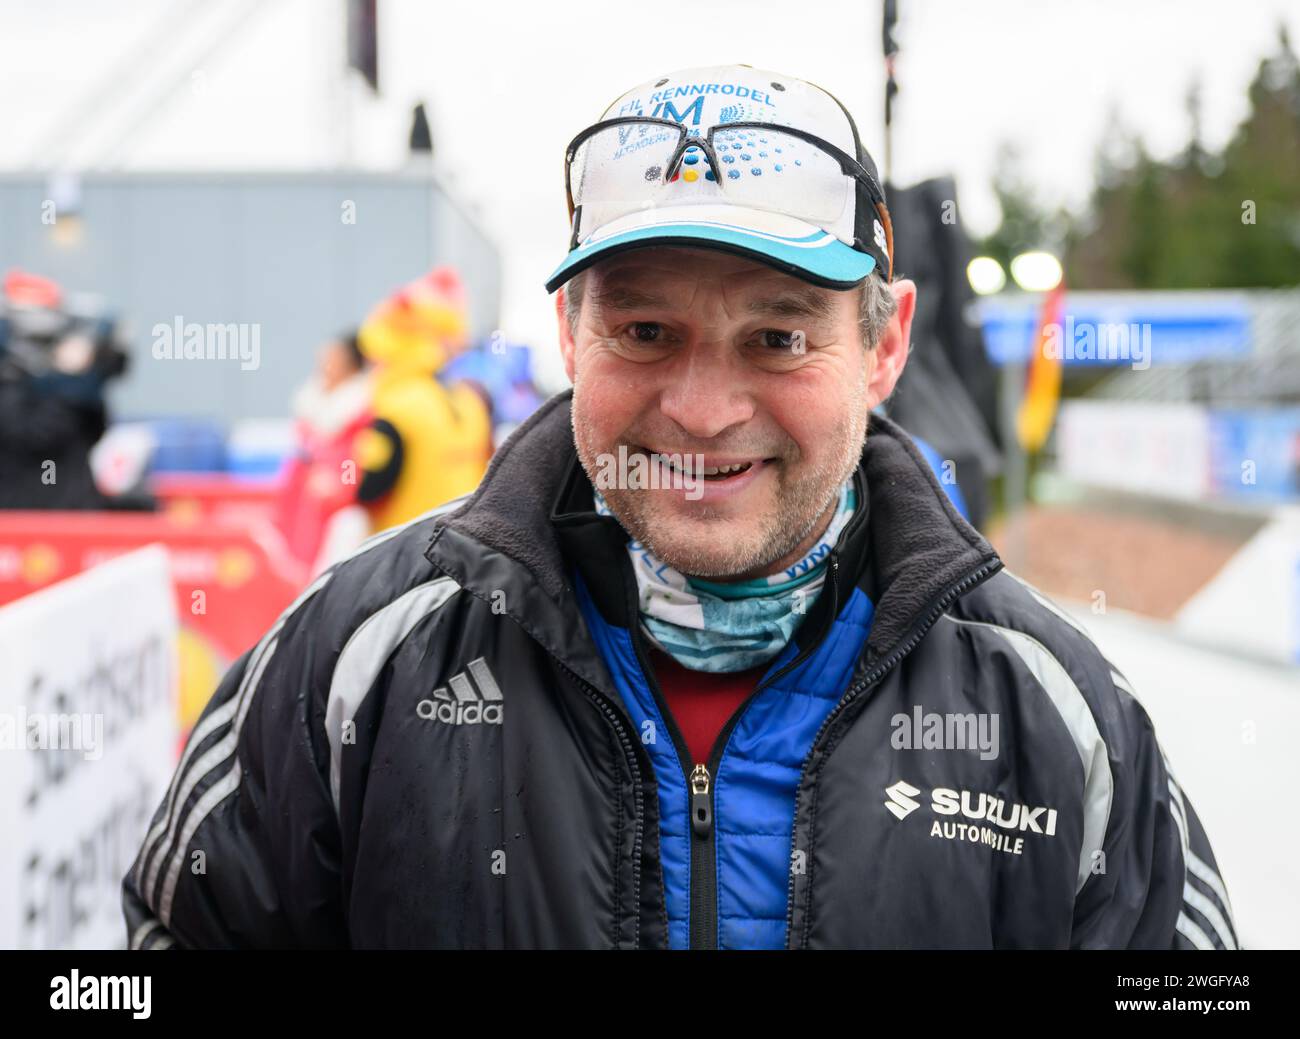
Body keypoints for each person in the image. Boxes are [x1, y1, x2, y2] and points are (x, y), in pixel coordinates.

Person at [121, 64, 1236, 950]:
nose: (701, 412)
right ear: (570, 337)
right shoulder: (356, 659)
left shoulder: (1055, 716)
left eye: (778, 337)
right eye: (645, 332)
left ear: (885, 344)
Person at [273, 331, 372, 574]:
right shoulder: (310, 407)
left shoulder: (360, 412)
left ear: (350, 365)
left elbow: (357, 466)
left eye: (333, 359)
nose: (325, 366)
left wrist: (340, 487)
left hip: (336, 515)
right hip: (300, 506)